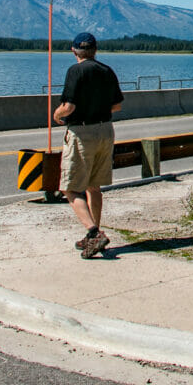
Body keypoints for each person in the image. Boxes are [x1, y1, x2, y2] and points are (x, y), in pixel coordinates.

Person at [52, 32, 124, 259]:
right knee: (94, 186)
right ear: (95, 50)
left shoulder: (76, 71)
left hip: (82, 132)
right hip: (105, 130)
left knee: (70, 187)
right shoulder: (106, 70)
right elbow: (117, 106)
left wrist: (57, 113)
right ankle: (94, 235)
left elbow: (69, 107)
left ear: (74, 51)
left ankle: (93, 232)